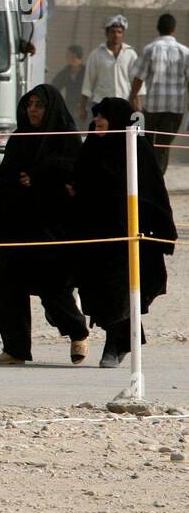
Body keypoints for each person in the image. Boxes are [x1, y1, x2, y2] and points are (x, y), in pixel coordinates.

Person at [0, 85, 89, 365]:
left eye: (39, 105)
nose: (32, 110)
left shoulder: (66, 138)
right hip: (17, 225)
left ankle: (77, 332)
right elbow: (5, 179)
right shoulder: (19, 139)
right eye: (29, 104)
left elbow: (75, 178)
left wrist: (41, 178)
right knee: (11, 287)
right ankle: (15, 349)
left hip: (52, 227)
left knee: (53, 289)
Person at [73, 98, 177, 367]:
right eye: (96, 117)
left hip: (127, 233)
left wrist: (161, 232)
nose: (97, 122)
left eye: (103, 117)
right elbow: (80, 178)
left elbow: (153, 192)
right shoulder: (93, 146)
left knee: (119, 290)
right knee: (97, 290)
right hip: (94, 233)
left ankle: (115, 345)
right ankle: (128, 340)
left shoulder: (136, 148)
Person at [129, 12, 189, 175]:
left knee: (148, 144)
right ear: (174, 29)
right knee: (163, 147)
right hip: (175, 109)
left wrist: (132, 97)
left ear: (158, 28)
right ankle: (158, 178)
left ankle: (149, 177)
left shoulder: (150, 49)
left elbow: (138, 77)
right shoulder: (185, 52)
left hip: (153, 108)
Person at [79, 14, 138, 118]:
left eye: (119, 32)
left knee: (122, 133)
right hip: (102, 103)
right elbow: (88, 82)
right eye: (113, 32)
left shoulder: (130, 54)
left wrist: (137, 101)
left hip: (124, 103)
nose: (116, 35)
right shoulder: (96, 54)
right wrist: (82, 106)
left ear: (123, 34)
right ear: (107, 34)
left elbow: (136, 80)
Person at [50, 44, 87, 120]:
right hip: (69, 107)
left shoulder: (86, 72)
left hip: (84, 107)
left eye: (69, 55)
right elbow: (54, 87)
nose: (67, 57)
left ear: (75, 56)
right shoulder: (65, 72)